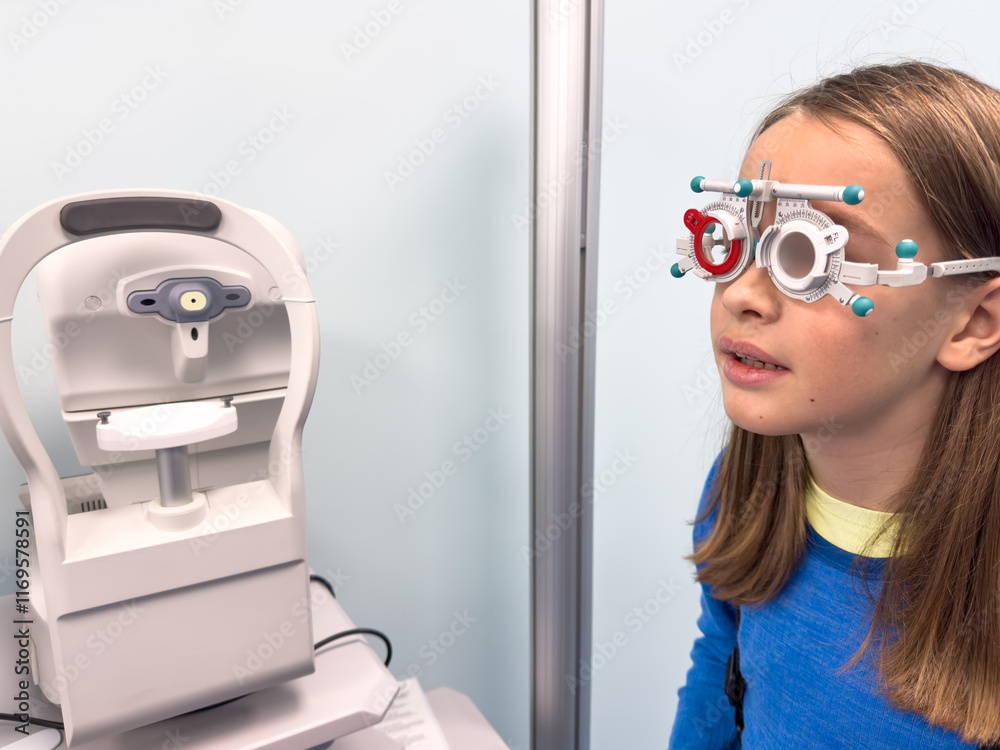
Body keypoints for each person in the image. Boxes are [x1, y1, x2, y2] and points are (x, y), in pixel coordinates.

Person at [668, 62, 1000, 749]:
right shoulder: (747, 491)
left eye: (809, 253)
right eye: (736, 239)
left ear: (972, 322)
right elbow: (721, 671)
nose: (743, 295)